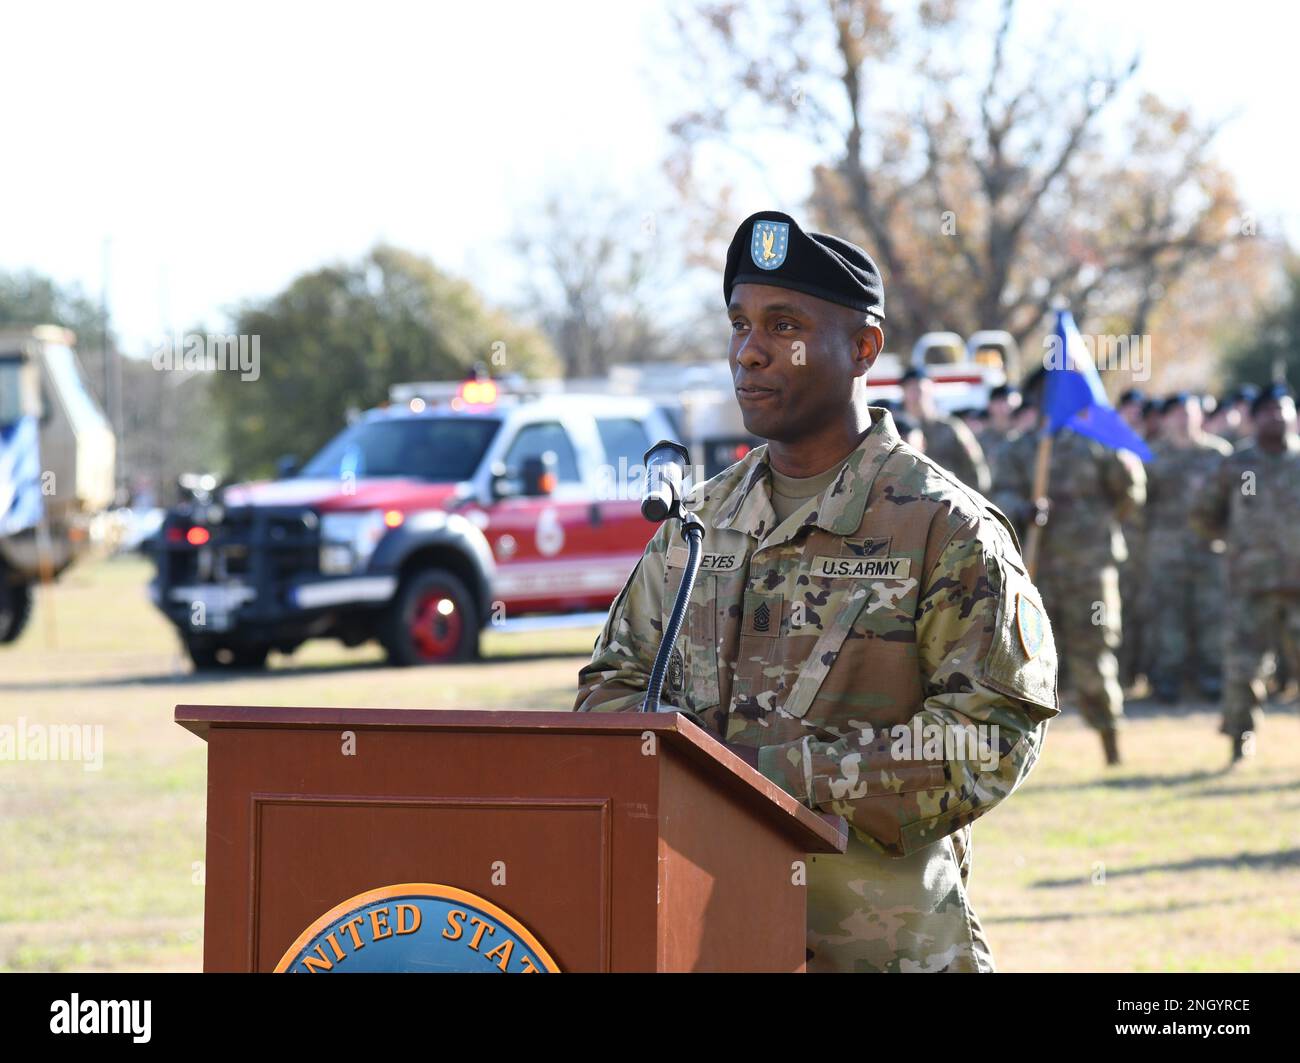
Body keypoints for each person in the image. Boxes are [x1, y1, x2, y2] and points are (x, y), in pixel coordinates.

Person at [576, 210, 1058, 972]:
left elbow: (988, 736)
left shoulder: (943, 527)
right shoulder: (697, 524)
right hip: (704, 939)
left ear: (863, 347)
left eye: (784, 324)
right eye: (738, 324)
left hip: (881, 950)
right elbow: (611, 685)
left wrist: (773, 777)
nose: (749, 350)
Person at [992, 371, 1145, 766]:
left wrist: (1117, 449)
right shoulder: (1019, 450)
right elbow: (998, 499)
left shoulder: (1095, 443)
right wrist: (1025, 510)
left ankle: (1111, 743)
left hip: (1090, 572)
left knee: (1093, 655)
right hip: (1037, 573)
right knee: (1028, 662)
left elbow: (1130, 493)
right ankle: (1020, 754)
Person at [1191, 384, 1300, 763]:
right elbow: (1204, 514)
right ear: (1254, 419)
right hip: (1251, 585)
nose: (1278, 416)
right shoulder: (1237, 465)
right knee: (1243, 668)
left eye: (1283, 409)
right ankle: (1240, 738)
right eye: (1269, 410)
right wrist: (1237, 545)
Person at [1144, 393, 1233, 702]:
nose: (1184, 419)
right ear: (1167, 419)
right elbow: (1140, 503)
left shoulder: (1219, 454)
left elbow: (1233, 502)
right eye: (1177, 413)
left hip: (1210, 548)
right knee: (1168, 616)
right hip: (1165, 549)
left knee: (1211, 614)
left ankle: (1212, 677)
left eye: (1189, 412)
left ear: (1200, 416)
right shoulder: (1152, 456)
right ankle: (1167, 679)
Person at [900, 366, 991, 493]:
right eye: (910, 389)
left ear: (931, 388)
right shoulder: (897, 429)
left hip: (948, 498)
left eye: (919, 388)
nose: (915, 395)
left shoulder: (950, 427)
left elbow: (975, 467)